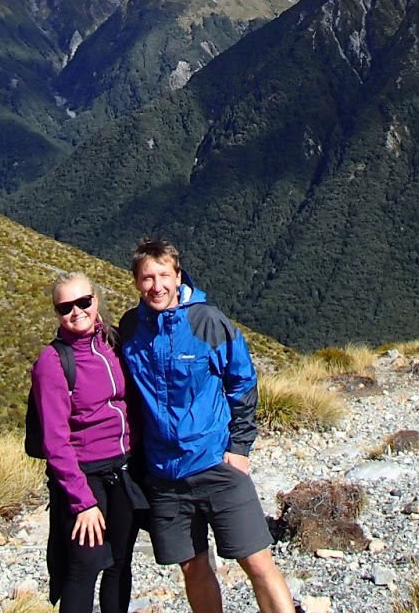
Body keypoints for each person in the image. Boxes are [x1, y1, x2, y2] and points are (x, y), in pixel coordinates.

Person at [117, 238, 295, 613]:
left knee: (256, 561)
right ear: (136, 282)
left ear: (178, 276)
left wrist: (239, 449)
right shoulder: (131, 328)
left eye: (164, 275)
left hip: (215, 462)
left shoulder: (206, 322)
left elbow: (242, 382)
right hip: (164, 475)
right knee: (192, 567)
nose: (156, 286)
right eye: (147, 278)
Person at [29, 272, 145, 613]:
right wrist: (82, 502)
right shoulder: (52, 363)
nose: (76, 311)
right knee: (85, 566)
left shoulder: (113, 343)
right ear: (57, 313)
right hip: (83, 474)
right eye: (65, 307)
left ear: (96, 300)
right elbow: (55, 441)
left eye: (83, 302)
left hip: (123, 470)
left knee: (119, 562)